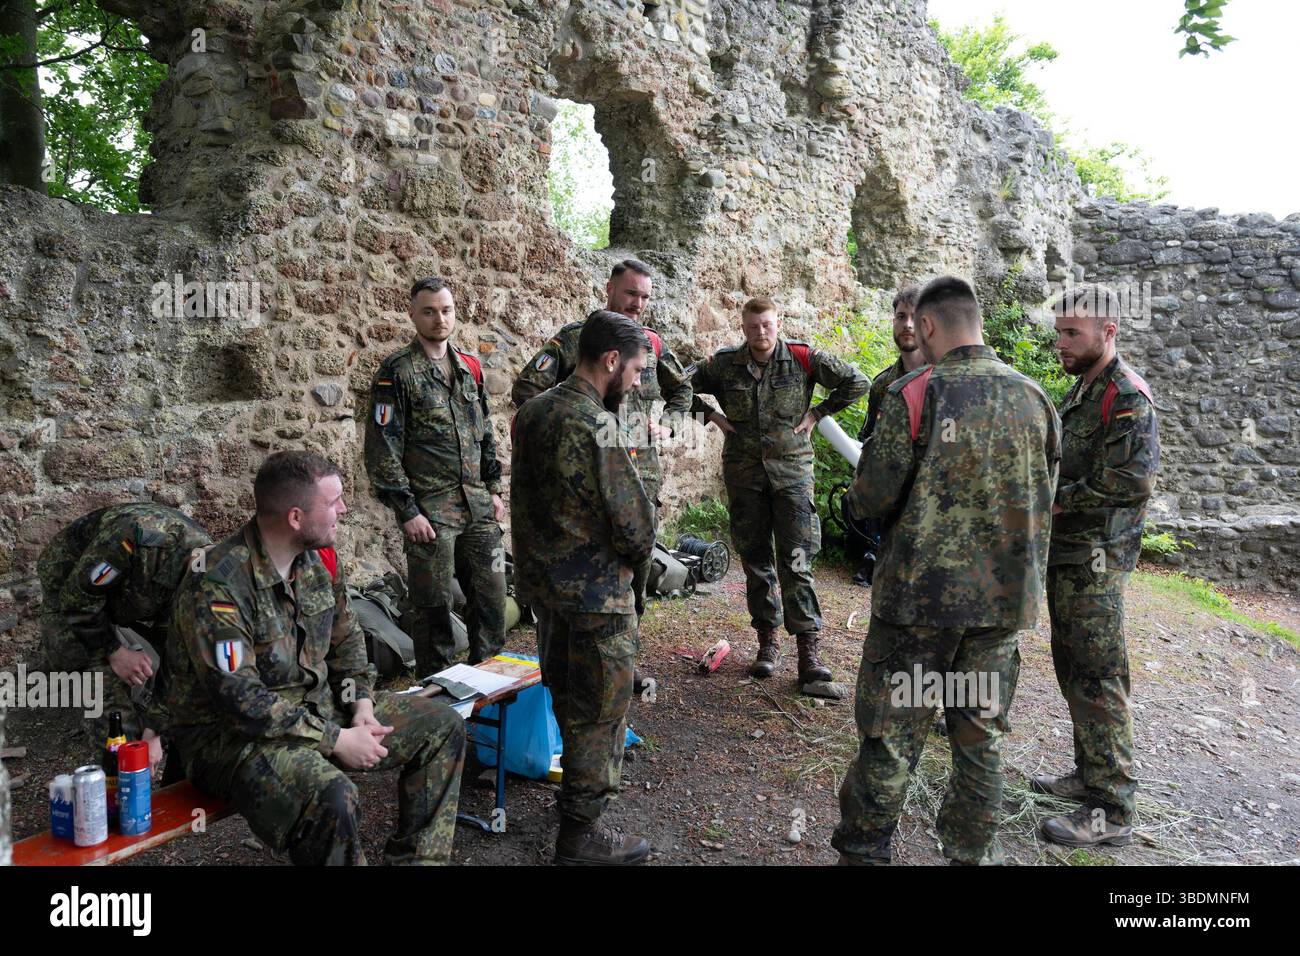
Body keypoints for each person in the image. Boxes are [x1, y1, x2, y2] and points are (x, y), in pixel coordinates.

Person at [832, 276, 1060, 865]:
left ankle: (864, 854)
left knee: (891, 737)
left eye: (917, 326)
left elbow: (872, 498)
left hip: (918, 609)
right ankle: (970, 857)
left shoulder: (915, 393)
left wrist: (861, 500)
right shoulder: (1035, 399)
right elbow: (1042, 496)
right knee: (979, 742)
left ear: (929, 325)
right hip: (1000, 610)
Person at [167, 451, 465, 865]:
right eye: (334, 501)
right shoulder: (217, 584)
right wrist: (338, 740)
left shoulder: (316, 560)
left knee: (442, 726)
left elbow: (347, 640)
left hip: (318, 710)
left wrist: (360, 703)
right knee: (332, 796)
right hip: (232, 742)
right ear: (295, 517)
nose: (344, 509)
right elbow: (241, 702)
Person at [511, 310, 657, 865]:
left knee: (569, 700)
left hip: (548, 596)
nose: (639, 382)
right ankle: (580, 837)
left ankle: (574, 805)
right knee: (600, 712)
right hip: (598, 598)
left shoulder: (533, 413)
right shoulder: (599, 425)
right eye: (638, 371)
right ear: (612, 361)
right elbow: (636, 527)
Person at [512, 258, 692, 691]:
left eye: (646, 297)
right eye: (631, 293)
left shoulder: (650, 343)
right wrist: (577, 432)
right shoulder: (576, 339)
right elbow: (527, 391)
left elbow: (683, 389)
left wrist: (667, 423)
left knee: (635, 572)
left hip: (638, 476)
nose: (638, 304)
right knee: (589, 579)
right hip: (585, 483)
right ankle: (592, 667)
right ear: (610, 289)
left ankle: (623, 658)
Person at [1035, 283, 1160, 848]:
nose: (1059, 341)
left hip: (1097, 557)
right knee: (1074, 666)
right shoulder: (1082, 390)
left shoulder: (1127, 395)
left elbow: (1134, 480)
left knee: (1098, 674)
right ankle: (1089, 775)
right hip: (1068, 552)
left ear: (1108, 332)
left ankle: (1111, 811)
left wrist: (1062, 497)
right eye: (1059, 330)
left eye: (1071, 333)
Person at [691, 297, 870, 684]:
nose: (761, 332)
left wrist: (818, 413)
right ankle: (767, 643)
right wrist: (711, 415)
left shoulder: (803, 358)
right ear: (743, 326)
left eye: (767, 325)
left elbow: (859, 381)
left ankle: (809, 652)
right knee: (756, 562)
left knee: (797, 561)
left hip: (791, 475)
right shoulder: (724, 364)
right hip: (744, 477)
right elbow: (674, 382)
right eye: (753, 325)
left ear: (778, 323)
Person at [365, 276, 507, 675]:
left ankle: (490, 679)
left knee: (491, 596)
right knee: (434, 606)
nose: (438, 319)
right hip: (430, 512)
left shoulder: (469, 369)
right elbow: (382, 448)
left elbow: (486, 433)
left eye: (446, 310)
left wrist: (495, 489)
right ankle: (440, 692)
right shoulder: (397, 372)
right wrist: (407, 511)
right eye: (428, 311)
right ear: (413, 314)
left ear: (455, 313)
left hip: (477, 506)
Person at [37, 503, 211, 771]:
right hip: (72, 589)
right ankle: (117, 781)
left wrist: (156, 730)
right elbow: (77, 598)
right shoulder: (135, 537)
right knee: (94, 668)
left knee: (185, 673)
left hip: (129, 596)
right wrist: (115, 651)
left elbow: (179, 652)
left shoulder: (212, 572)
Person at [853, 284, 926, 587]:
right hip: (891, 508)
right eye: (901, 316)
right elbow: (868, 438)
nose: (907, 325)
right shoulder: (883, 384)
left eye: (915, 317)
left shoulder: (946, 378)